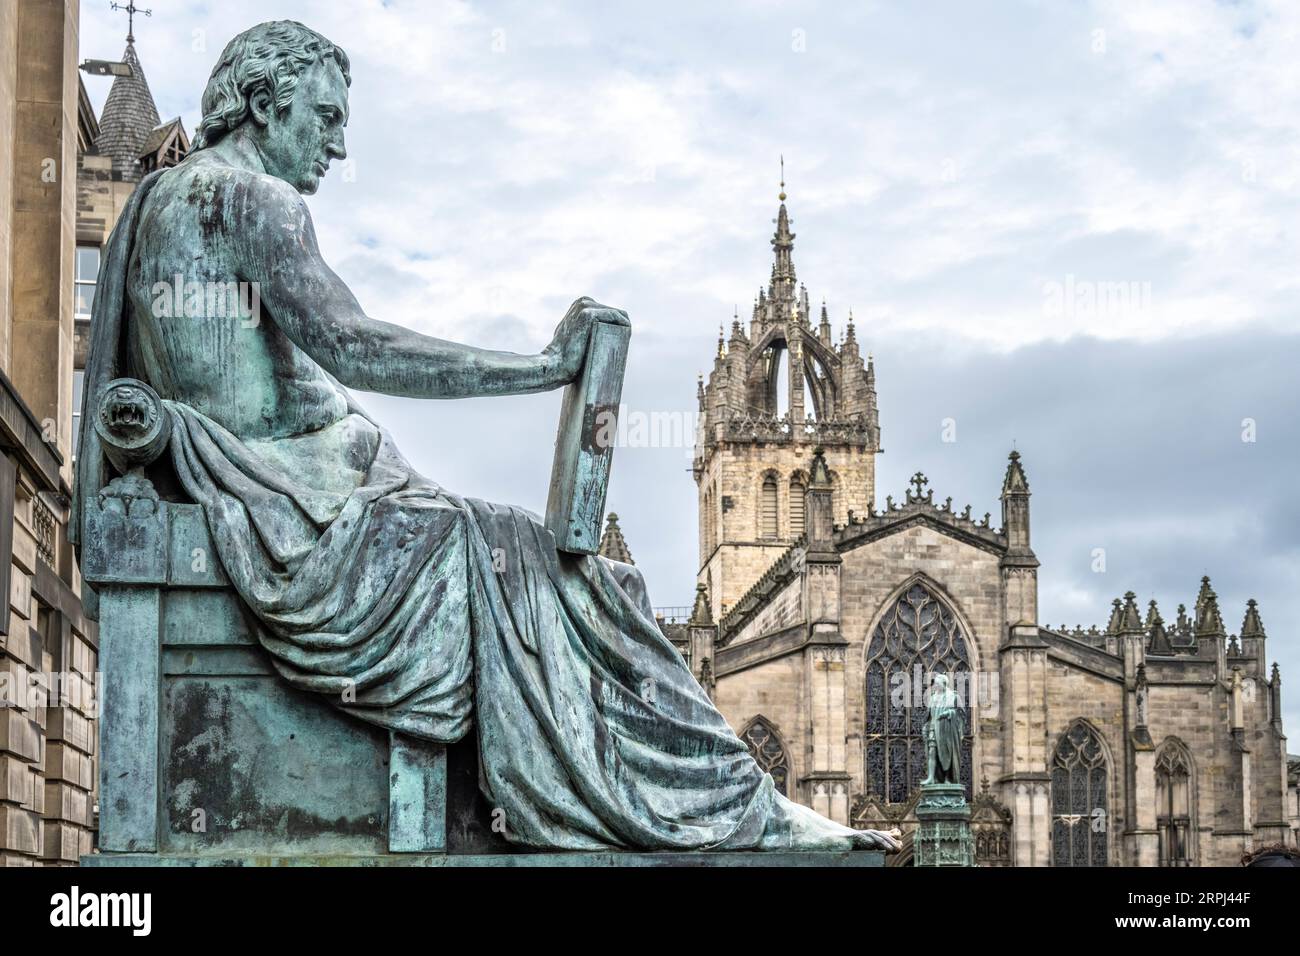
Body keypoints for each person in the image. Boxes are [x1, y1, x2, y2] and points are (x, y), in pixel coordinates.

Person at [74, 20, 899, 855]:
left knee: (581, 584)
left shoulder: (159, 199)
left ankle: (726, 801)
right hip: (298, 510)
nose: (340, 145)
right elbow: (360, 347)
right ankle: (727, 810)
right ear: (261, 104)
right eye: (325, 118)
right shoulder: (251, 198)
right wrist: (543, 369)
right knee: (568, 584)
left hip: (290, 494)